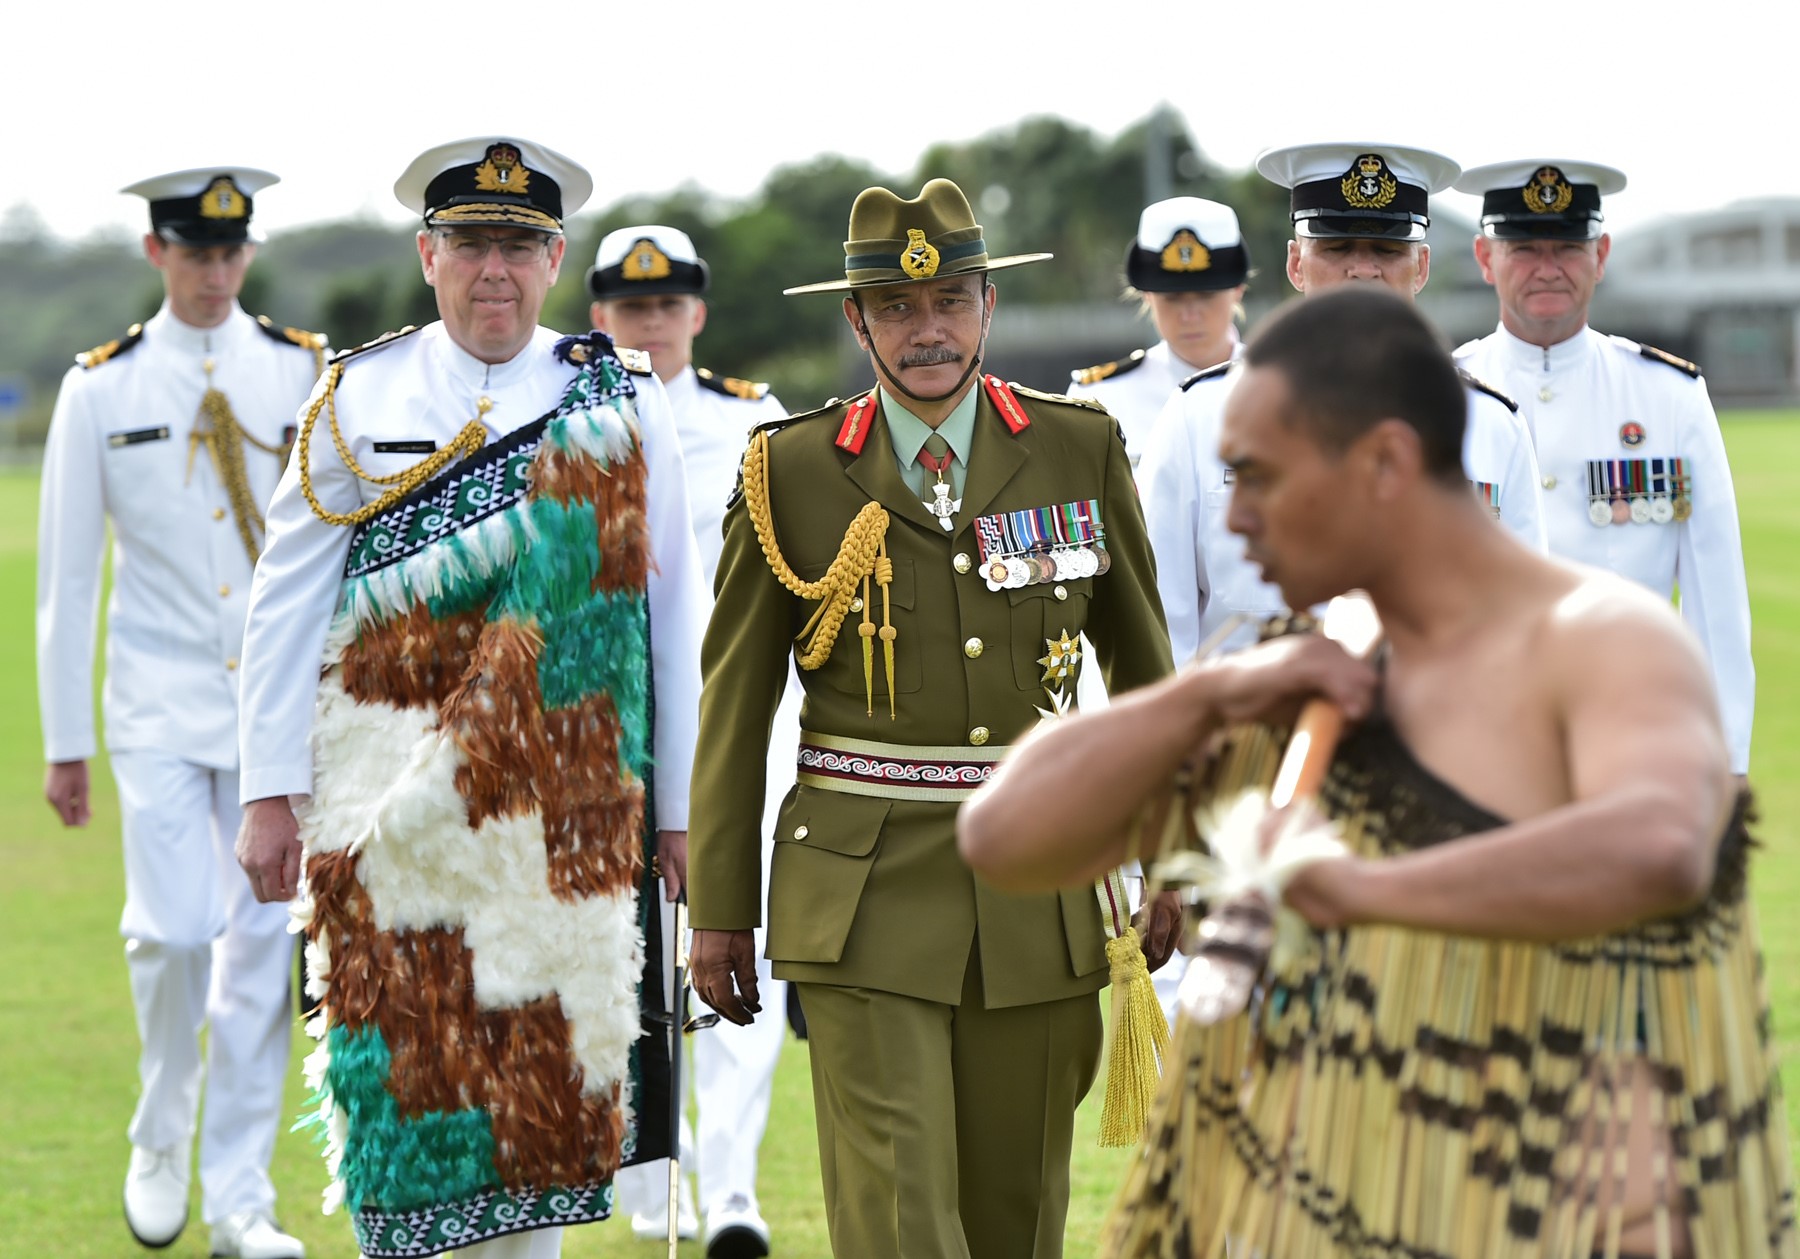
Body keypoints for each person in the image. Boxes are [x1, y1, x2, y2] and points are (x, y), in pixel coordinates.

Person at [959, 286, 1796, 1259]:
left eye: (1259, 476)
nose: (1238, 519)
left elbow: (1658, 844)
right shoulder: (1305, 671)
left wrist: (1354, 891)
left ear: (1387, 463)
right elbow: (1003, 835)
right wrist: (1208, 696)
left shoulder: (1602, 638)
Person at [685, 177, 1179, 1259]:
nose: (928, 330)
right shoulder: (789, 469)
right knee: (904, 1218)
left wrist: (1177, 853)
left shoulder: (1078, 448)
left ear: (988, 305)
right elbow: (735, 702)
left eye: (950, 300)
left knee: (1018, 1220)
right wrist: (720, 905)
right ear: (856, 320)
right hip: (860, 894)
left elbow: (1146, 671)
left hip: (1040, 890)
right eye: (897, 308)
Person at [233, 137, 708, 1259]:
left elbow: (669, 610)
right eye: (470, 244)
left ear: (554, 260)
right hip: (387, 817)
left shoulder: (617, 395)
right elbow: (286, 599)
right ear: (427, 255)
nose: (494, 269)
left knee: (542, 1107)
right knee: (404, 1094)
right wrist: (267, 792)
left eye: (519, 245)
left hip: (560, 817)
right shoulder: (355, 395)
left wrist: (680, 810)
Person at [36, 165, 323, 1259]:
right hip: (153, 701)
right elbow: (68, 580)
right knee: (168, 932)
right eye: (195, 252)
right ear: (157, 252)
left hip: (272, 710)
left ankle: (241, 1200)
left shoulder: (301, 369)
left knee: (255, 961)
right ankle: (160, 1126)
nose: (215, 271)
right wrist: (65, 742)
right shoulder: (100, 388)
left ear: (248, 253)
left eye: (230, 251)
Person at [1139, 142, 1548, 665]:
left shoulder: (1493, 426)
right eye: (1336, 248)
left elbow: (1527, 631)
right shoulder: (1197, 418)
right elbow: (1157, 640)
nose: (1363, 269)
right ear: (1296, 264)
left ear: (1421, 266)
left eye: (1387, 250)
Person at [588, 223, 789, 1256]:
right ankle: (652, 1168)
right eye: (631, 307)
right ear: (599, 316)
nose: (650, 324)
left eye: (667, 306)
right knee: (630, 955)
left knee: (743, 941)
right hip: (611, 728)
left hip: (743, 724)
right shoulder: (573, 419)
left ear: (697, 314)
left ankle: (736, 1188)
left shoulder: (756, 423)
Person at [1453, 159, 1754, 777]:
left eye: (1568, 247)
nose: (1548, 268)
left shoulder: (1669, 396)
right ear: (1485, 257)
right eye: (1524, 248)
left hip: (1630, 738)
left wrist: (1726, 768)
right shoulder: (1438, 397)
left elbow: (1715, 601)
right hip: (1483, 743)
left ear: (1602, 254)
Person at [1067, 195, 1251, 464]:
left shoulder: (1286, 387)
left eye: (1206, 295)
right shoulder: (1099, 401)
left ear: (1238, 289)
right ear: (1147, 296)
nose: (1189, 315)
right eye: (1172, 298)